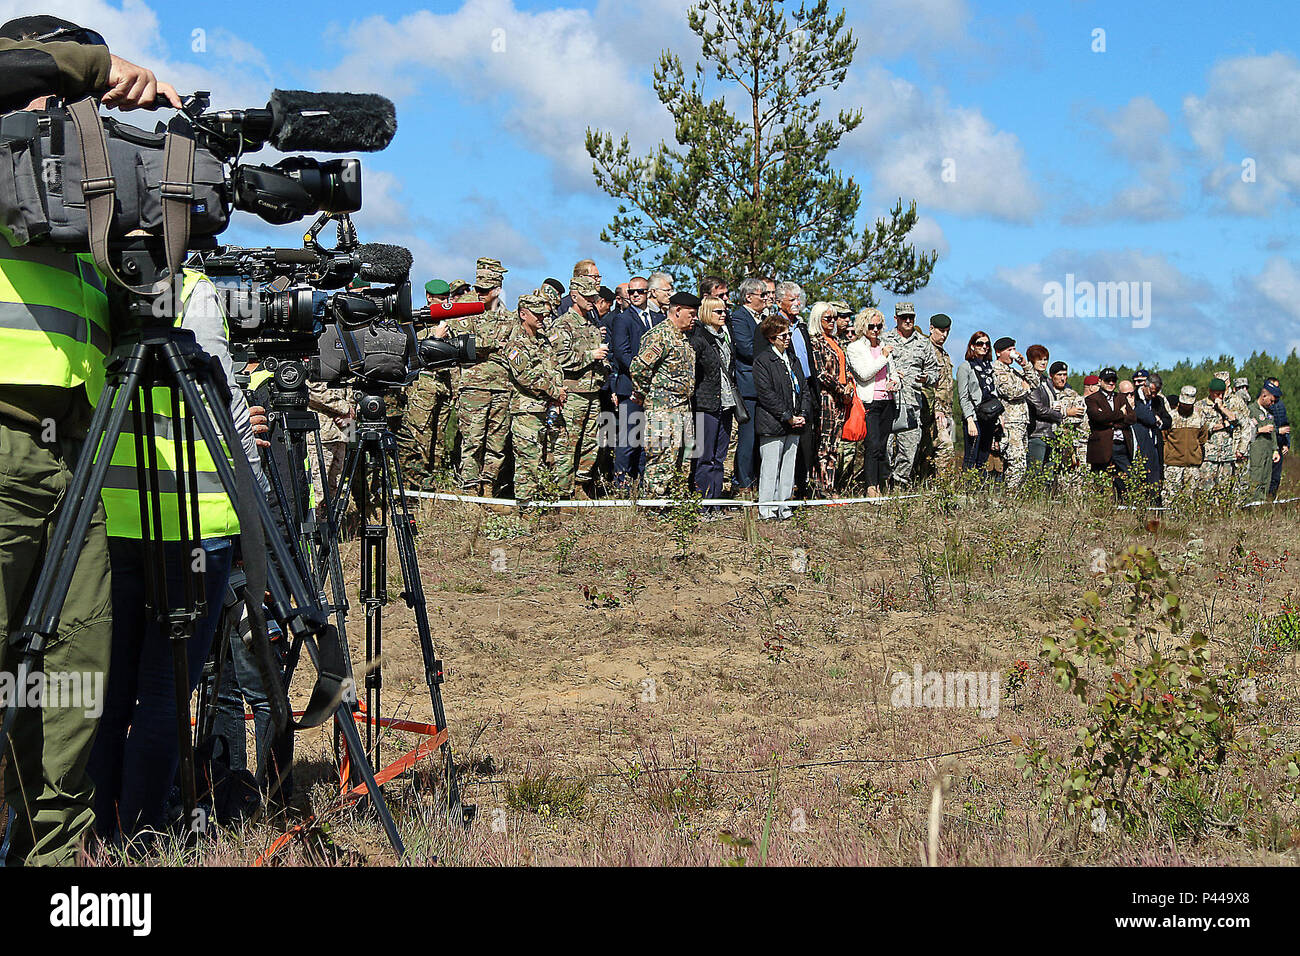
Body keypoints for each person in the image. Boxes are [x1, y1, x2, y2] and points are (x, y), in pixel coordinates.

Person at [0, 15, 181, 867]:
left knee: (71, 683)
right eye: (63, 92)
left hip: (76, 455)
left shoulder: (79, 197)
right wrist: (101, 67)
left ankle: (54, 863)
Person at [89, 263, 259, 844]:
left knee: (105, 689)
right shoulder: (193, 292)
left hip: (107, 518)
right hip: (193, 524)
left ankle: (95, 831)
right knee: (163, 689)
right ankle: (138, 832)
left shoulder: (93, 274)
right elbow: (222, 403)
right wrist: (257, 518)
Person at [448, 258, 513, 498]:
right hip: (473, 386)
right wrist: (497, 344)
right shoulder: (466, 309)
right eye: (478, 289)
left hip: (502, 386)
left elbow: (514, 346)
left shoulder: (508, 315)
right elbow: (465, 344)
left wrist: (495, 348)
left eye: (486, 290)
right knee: (473, 441)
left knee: (496, 443)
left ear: (497, 289)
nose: (480, 293)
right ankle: (470, 489)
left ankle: (488, 488)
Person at [630, 292, 699, 497]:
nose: (694, 318)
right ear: (677, 311)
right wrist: (644, 395)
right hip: (662, 410)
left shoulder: (683, 338)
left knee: (682, 462)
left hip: (683, 408)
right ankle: (652, 510)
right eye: (691, 313)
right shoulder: (659, 335)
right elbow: (639, 368)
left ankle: (675, 509)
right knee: (660, 462)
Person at [503, 293, 567, 502]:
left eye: (543, 314)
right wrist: (554, 391)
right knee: (528, 461)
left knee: (551, 456)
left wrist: (557, 392)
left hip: (548, 408)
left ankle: (547, 500)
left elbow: (555, 367)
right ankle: (526, 509)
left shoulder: (543, 341)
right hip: (527, 410)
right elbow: (525, 376)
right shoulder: (515, 343)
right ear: (523, 314)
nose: (541, 318)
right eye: (537, 314)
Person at [550, 274, 610, 498]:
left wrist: (604, 365)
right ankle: (563, 492)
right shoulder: (562, 324)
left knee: (591, 442)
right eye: (587, 296)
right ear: (574, 295)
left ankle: (580, 485)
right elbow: (560, 358)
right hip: (573, 392)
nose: (591, 300)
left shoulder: (592, 324)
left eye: (593, 296)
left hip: (593, 392)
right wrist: (591, 355)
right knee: (567, 444)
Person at [753, 316, 810, 519]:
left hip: (795, 423)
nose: (787, 338)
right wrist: (786, 416)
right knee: (770, 468)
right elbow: (766, 393)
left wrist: (801, 414)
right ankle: (766, 510)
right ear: (771, 338)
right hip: (772, 423)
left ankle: (784, 508)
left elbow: (803, 389)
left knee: (788, 467)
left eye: (789, 334)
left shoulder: (793, 359)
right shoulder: (763, 361)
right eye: (783, 335)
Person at [881, 302, 939, 486]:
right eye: (904, 317)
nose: (908, 320)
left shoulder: (923, 343)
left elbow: (934, 371)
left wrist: (926, 378)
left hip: (912, 404)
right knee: (885, 447)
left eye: (911, 317)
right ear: (896, 318)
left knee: (909, 448)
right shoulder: (884, 338)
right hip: (886, 402)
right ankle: (883, 482)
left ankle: (899, 483)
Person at [687, 295, 738, 506]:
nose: (723, 314)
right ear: (707, 313)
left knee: (720, 456)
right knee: (704, 456)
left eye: (725, 311)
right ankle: (703, 502)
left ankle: (715, 501)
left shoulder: (724, 337)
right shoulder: (698, 339)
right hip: (706, 403)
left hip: (726, 403)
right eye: (718, 311)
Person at [608, 275, 658, 485]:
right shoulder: (623, 319)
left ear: (649, 293)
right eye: (631, 292)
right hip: (630, 386)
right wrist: (642, 373)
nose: (636, 295)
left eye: (640, 292)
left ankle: (643, 482)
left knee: (648, 439)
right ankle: (621, 483)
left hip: (653, 387)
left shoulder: (658, 319)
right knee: (629, 437)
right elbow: (621, 352)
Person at [845, 308, 898, 497]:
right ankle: (870, 486)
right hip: (869, 402)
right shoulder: (855, 348)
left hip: (887, 401)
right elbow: (864, 374)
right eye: (871, 326)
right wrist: (883, 357)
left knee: (883, 447)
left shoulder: (884, 345)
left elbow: (893, 372)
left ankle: (881, 485)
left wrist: (895, 382)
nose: (876, 329)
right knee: (873, 444)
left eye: (879, 326)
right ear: (863, 326)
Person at [806, 301, 853, 496]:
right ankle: (821, 488)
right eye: (828, 318)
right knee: (824, 445)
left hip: (841, 399)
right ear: (818, 319)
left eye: (834, 318)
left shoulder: (836, 341)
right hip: (827, 398)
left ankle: (831, 486)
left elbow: (846, 367)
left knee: (835, 445)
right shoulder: (815, 341)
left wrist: (849, 383)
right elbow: (820, 373)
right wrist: (841, 388)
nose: (832, 322)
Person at [727, 276, 767, 493]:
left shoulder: (763, 317)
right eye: (762, 296)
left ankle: (758, 480)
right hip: (749, 385)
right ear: (749, 296)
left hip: (764, 387)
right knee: (748, 438)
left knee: (762, 437)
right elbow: (746, 348)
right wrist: (772, 352)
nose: (766, 299)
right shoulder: (740, 317)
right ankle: (743, 483)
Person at [991, 337, 1038, 490]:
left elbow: (1035, 382)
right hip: (1010, 423)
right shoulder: (998, 371)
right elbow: (1010, 392)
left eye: (1014, 349)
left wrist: (1025, 365)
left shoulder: (1014, 371)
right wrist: (1025, 388)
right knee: (1016, 463)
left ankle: (1011, 495)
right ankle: (1010, 496)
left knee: (1020, 462)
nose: (1013, 353)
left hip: (1021, 422)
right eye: (1009, 350)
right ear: (998, 353)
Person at [1086, 367, 1136, 498]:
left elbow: (1132, 417)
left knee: (1127, 479)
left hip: (1121, 446)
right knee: (1100, 482)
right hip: (1102, 446)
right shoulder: (1092, 399)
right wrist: (1120, 413)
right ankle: (1100, 510)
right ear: (1100, 381)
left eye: (1113, 380)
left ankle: (1124, 507)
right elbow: (1098, 418)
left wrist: (1110, 419)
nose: (1111, 383)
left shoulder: (1121, 397)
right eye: (1108, 380)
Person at [917, 313, 955, 480]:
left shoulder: (944, 354)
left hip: (946, 413)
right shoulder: (925, 349)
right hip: (929, 411)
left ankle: (934, 490)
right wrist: (937, 409)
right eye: (941, 331)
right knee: (944, 447)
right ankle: (944, 489)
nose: (944, 335)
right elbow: (928, 385)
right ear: (931, 328)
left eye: (947, 331)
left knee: (932, 452)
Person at [956, 331, 997, 474]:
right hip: (974, 418)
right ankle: (966, 491)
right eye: (980, 343)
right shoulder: (965, 367)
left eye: (987, 344)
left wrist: (1000, 417)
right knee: (970, 458)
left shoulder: (990, 368)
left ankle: (979, 492)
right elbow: (963, 396)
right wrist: (970, 420)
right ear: (972, 346)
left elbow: (994, 394)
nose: (984, 347)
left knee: (983, 459)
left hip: (990, 417)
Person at [1130, 370, 1171, 502]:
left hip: (1155, 446)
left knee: (1155, 483)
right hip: (1138, 445)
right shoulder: (1133, 397)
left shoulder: (1158, 401)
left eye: (1156, 392)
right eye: (1151, 391)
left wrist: (1159, 422)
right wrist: (1154, 419)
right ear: (1145, 386)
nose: (1153, 395)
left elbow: (1168, 421)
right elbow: (1141, 416)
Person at [1163, 385, 1209, 499]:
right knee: (1170, 498)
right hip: (1173, 465)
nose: (1187, 406)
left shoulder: (1200, 417)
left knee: (1190, 499)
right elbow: (1163, 438)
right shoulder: (1171, 417)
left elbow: (1203, 439)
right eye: (1185, 403)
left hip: (1193, 466)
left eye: (1189, 404)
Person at [1197, 377, 1240, 494]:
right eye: (1217, 394)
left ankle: (1221, 512)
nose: (1220, 397)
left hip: (1226, 455)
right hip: (1208, 456)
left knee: (1224, 491)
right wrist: (1224, 425)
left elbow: (1235, 419)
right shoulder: (1200, 406)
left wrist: (1221, 408)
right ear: (1210, 392)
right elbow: (1204, 428)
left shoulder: (1228, 405)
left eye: (1222, 394)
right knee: (1206, 490)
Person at [1247, 385, 1280, 502]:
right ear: (1264, 396)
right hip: (1256, 450)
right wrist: (1260, 430)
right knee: (1255, 478)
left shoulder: (1270, 413)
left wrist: (1275, 450)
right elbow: (1245, 431)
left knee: (1266, 478)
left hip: (1268, 450)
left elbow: (1273, 433)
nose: (1272, 403)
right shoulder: (1251, 410)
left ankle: (1262, 505)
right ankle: (1251, 504)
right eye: (1271, 400)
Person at [1265, 378, 1289, 497]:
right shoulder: (1265, 405)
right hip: (1268, 445)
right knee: (1265, 477)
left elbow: (1285, 424)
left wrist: (1286, 443)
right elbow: (1265, 426)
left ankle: (1271, 499)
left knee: (1276, 477)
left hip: (1279, 445)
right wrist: (1278, 431)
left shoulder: (1280, 405)